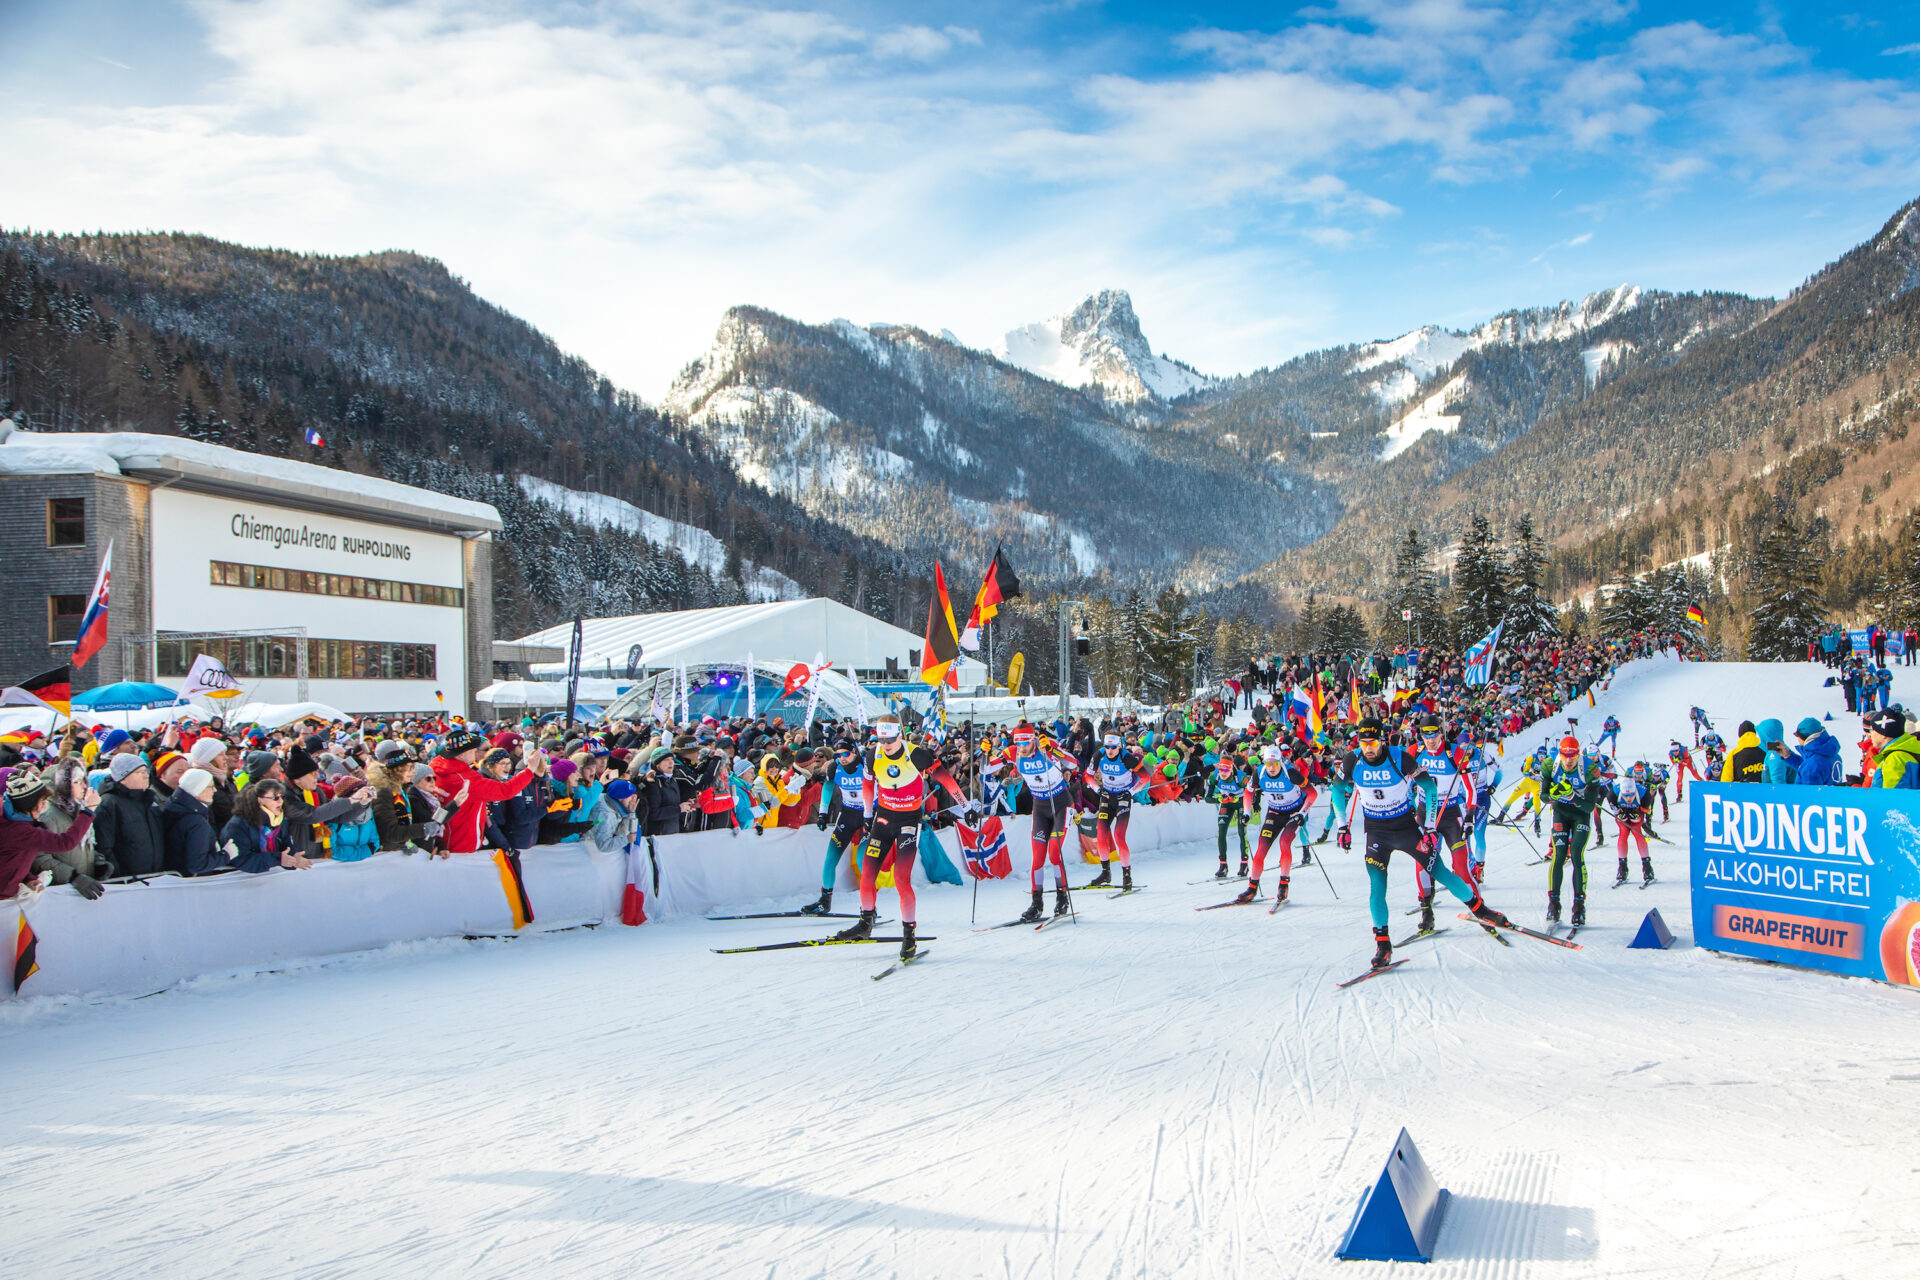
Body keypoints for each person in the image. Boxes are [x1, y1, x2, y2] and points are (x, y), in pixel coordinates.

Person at [1336, 717, 1512, 970]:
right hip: (1376, 832)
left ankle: (1482, 911)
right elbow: (1336, 788)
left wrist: (1429, 827)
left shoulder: (1400, 757)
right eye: (1364, 743)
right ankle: (1383, 944)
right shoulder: (1353, 759)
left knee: (1440, 871)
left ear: (1382, 740)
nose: (1369, 748)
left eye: (1373, 742)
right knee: (1377, 886)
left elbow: (1428, 787)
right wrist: (1342, 825)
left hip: (1406, 827)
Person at [832, 715, 967, 960]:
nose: (886, 744)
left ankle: (909, 937)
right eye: (881, 739)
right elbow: (867, 781)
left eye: (890, 738)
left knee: (900, 879)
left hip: (909, 821)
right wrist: (867, 813)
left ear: (899, 735)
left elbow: (945, 778)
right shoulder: (873, 755)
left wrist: (965, 806)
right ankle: (865, 922)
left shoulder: (916, 754)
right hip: (883, 819)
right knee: (868, 872)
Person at [994, 724, 1081, 920]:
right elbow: (987, 767)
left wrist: (1052, 751)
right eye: (1018, 742)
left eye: (1025, 742)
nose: (1022, 747)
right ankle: (1037, 903)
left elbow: (1073, 762)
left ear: (1033, 739)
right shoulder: (1013, 753)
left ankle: (1062, 897)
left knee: (1054, 854)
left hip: (1061, 805)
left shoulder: (1045, 745)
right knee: (1038, 858)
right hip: (1040, 808)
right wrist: (984, 753)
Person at [1410, 714, 1478, 930]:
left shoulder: (1455, 752)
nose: (1430, 739)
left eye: (1434, 734)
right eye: (1425, 734)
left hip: (1450, 814)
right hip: (1424, 812)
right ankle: (1426, 912)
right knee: (1422, 862)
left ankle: (1479, 907)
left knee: (1460, 865)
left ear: (1442, 732)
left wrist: (1469, 816)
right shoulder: (1415, 752)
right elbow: (1403, 782)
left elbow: (1470, 789)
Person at [1, 768, 102, 899]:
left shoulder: (16, 823)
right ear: (29, 806)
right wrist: (88, 811)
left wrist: (27, 878)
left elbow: (11, 858)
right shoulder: (18, 830)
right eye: (42, 802)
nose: (44, 807)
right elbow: (64, 843)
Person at [1234, 744, 1316, 905]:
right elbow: (1248, 791)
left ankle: (1283, 885)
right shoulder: (1260, 772)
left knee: (1284, 843)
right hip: (1274, 812)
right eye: (1268, 763)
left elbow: (1312, 793)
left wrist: (1302, 814)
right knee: (1261, 849)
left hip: (1294, 812)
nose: (1271, 767)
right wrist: (1246, 812)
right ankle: (1252, 888)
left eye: (1275, 763)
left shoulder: (1290, 773)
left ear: (1281, 762)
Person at [430, 730, 532, 854]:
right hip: (460, 845)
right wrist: (530, 771)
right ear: (462, 754)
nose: (475, 752)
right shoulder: (465, 780)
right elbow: (505, 790)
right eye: (473, 749)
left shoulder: (436, 767)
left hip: (443, 841)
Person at [802, 739, 868, 915]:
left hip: (868, 816)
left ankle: (869, 908)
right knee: (830, 859)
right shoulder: (834, 767)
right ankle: (825, 901)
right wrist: (823, 813)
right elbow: (828, 788)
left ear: (854, 752)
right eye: (839, 755)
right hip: (848, 814)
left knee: (863, 861)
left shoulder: (866, 765)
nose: (842, 758)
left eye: (846, 754)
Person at [1545, 735, 1606, 925]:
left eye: (1572, 756)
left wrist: (1571, 795)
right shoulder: (1549, 764)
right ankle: (1554, 905)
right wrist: (1554, 796)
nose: (1569, 760)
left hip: (1580, 814)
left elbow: (1589, 807)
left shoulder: (1589, 768)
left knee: (1577, 855)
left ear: (1578, 754)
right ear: (1560, 754)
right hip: (1561, 813)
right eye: (1565, 756)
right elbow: (1543, 796)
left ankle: (1579, 906)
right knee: (1559, 855)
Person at [92, 752, 167, 878]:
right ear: (123, 778)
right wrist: (119, 875)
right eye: (139, 772)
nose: (145, 776)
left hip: (155, 877)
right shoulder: (109, 803)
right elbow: (104, 846)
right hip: (128, 882)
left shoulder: (150, 800)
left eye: (145, 771)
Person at [218, 780, 314, 872]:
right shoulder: (238, 825)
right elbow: (241, 860)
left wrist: (293, 857)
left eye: (282, 797)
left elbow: (286, 846)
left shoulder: (281, 819)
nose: (280, 801)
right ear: (260, 800)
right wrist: (277, 859)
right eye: (275, 798)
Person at [1087, 734, 1144, 887]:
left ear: (1119, 746)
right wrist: (1097, 789)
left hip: (1123, 798)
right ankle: (1105, 872)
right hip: (1107, 796)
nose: (1110, 751)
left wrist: (1131, 792)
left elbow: (1145, 777)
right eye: (1107, 747)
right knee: (1100, 834)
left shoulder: (1127, 758)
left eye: (1113, 747)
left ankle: (1127, 876)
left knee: (1119, 836)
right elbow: (1088, 776)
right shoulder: (1099, 755)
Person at [160, 767, 225, 876]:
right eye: (211, 787)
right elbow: (197, 864)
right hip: (192, 883)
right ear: (198, 789)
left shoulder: (176, 808)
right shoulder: (195, 822)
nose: (215, 790)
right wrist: (225, 855)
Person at [1610, 770, 1655, 888]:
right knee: (1623, 832)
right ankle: (1622, 867)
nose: (1628, 798)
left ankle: (1647, 867)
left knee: (1637, 832)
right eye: (1625, 795)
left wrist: (1636, 815)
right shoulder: (1613, 793)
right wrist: (1621, 814)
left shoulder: (1644, 793)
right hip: (1622, 812)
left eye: (1631, 795)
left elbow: (1646, 811)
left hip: (1637, 812)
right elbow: (1615, 812)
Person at [1213, 752, 1253, 878]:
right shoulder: (1215, 776)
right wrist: (1220, 798)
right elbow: (1208, 797)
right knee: (1221, 832)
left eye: (1226, 769)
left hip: (1241, 802)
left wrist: (1253, 803)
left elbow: (1251, 791)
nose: (1223, 773)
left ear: (1231, 769)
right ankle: (1223, 865)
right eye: (1221, 769)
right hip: (1227, 803)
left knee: (1242, 832)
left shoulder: (1240, 777)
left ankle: (1244, 864)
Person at [1865, 708, 1920, 787]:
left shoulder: (1895, 759)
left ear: (1884, 734)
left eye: (1873, 730)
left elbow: (1893, 797)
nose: (1871, 735)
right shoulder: (1908, 749)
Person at [1791, 717, 1844, 785]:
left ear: (1805, 738)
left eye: (1797, 735)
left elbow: (1809, 793)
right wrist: (1788, 755)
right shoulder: (1831, 754)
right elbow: (1805, 765)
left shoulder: (1813, 764)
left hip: (1818, 795)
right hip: (1832, 795)